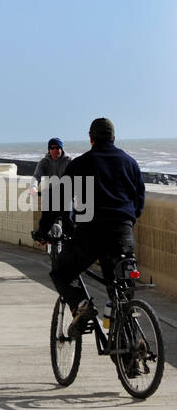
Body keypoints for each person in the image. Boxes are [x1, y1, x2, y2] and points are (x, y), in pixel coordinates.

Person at [36, 118, 145, 337]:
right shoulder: (130, 163)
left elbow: (58, 201)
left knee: (61, 272)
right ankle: (131, 344)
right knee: (121, 290)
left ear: (91, 138)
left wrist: (42, 230)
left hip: (91, 234)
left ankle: (81, 305)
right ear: (113, 137)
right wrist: (127, 222)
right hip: (122, 234)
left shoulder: (81, 163)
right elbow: (139, 200)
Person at [32, 138, 72, 237]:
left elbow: (77, 175)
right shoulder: (44, 162)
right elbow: (36, 176)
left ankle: (70, 237)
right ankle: (42, 235)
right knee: (45, 216)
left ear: (61, 149)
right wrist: (33, 187)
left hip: (66, 191)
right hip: (50, 192)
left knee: (68, 217)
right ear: (49, 150)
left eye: (58, 147)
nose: (55, 150)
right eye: (52, 148)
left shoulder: (69, 160)